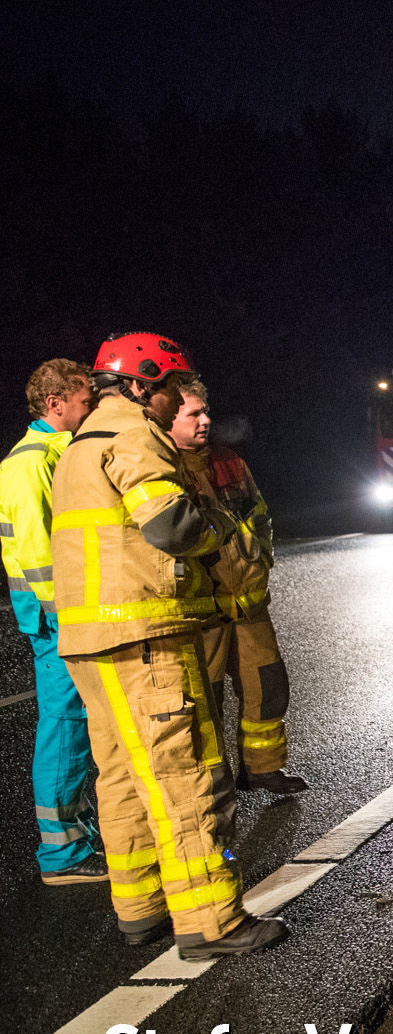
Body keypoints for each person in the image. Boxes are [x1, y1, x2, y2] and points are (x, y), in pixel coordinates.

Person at [52, 332, 286, 958]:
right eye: (168, 389)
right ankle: (213, 922)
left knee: (123, 773)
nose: (175, 400)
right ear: (139, 386)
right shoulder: (134, 434)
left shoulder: (79, 443)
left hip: (87, 637)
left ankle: (141, 907)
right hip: (146, 635)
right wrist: (220, 533)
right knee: (188, 775)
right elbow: (172, 523)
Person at [168, 381, 307, 795]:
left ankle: (262, 769)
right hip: (201, 612)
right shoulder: (159, 467)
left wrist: (260, 560)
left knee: (267, 687)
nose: (206, 420)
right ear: (166, 418)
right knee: (203, 703)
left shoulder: (229, 462)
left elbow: (259, 514)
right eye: (193, 414)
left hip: (248, 605)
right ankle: (213, 781)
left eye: (206, 411)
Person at [1, 359, 105, 884]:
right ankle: (62, 855)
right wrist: (69, 620)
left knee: (78, 731)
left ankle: (76, 842)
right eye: (85, 401)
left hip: (71, 617)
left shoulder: (58, 453)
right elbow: (38, 552)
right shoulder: (28, 463)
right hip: (60, 622)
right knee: (64, 732)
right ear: (55, 404)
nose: (92, 409)